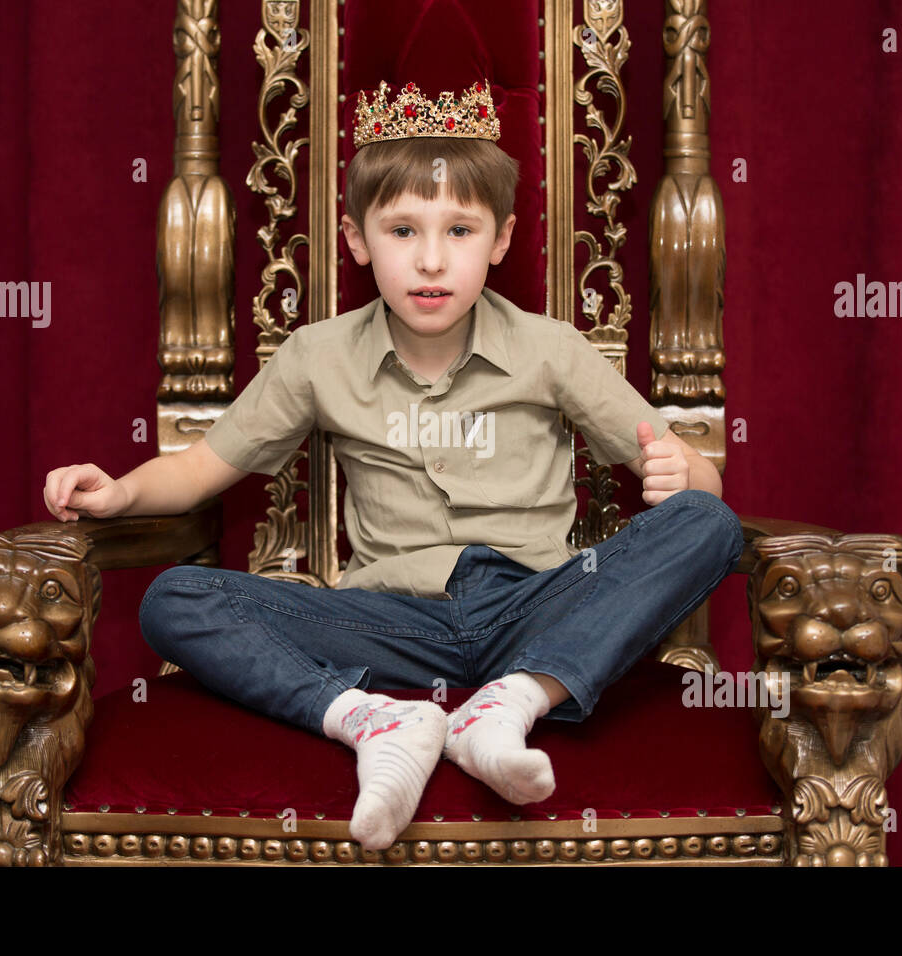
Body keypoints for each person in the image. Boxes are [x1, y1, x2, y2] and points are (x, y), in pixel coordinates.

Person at [42, 78, 743, 852]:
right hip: (390, 621)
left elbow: (693, 475)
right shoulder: (318, 355)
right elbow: (201, 468)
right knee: (173, 600)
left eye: (460, 230)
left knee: (708, 525)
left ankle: (510, 702)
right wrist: (120, 491)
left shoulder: (551, 350)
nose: (431, 260)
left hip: (538, 606)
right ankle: (376, 721)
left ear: (501, 240)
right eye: (402, 230)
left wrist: (687, 476)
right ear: (355, 237)